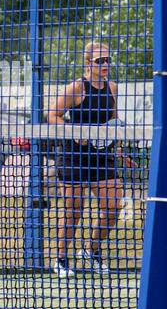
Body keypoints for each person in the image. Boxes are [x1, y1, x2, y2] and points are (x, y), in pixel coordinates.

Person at [46, 42, 136, 277]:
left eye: (107, 60)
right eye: (99, 61)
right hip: (74, 158)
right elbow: (52, 115)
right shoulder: (76, 88)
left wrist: (119, 150)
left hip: (102, 158)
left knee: (113, 207)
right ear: (88, 63)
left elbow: (113, 122)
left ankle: (91, 250)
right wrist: (76, 132)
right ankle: (61, 259)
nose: (105, 64)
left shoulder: (113, 88)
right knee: (73, 212)